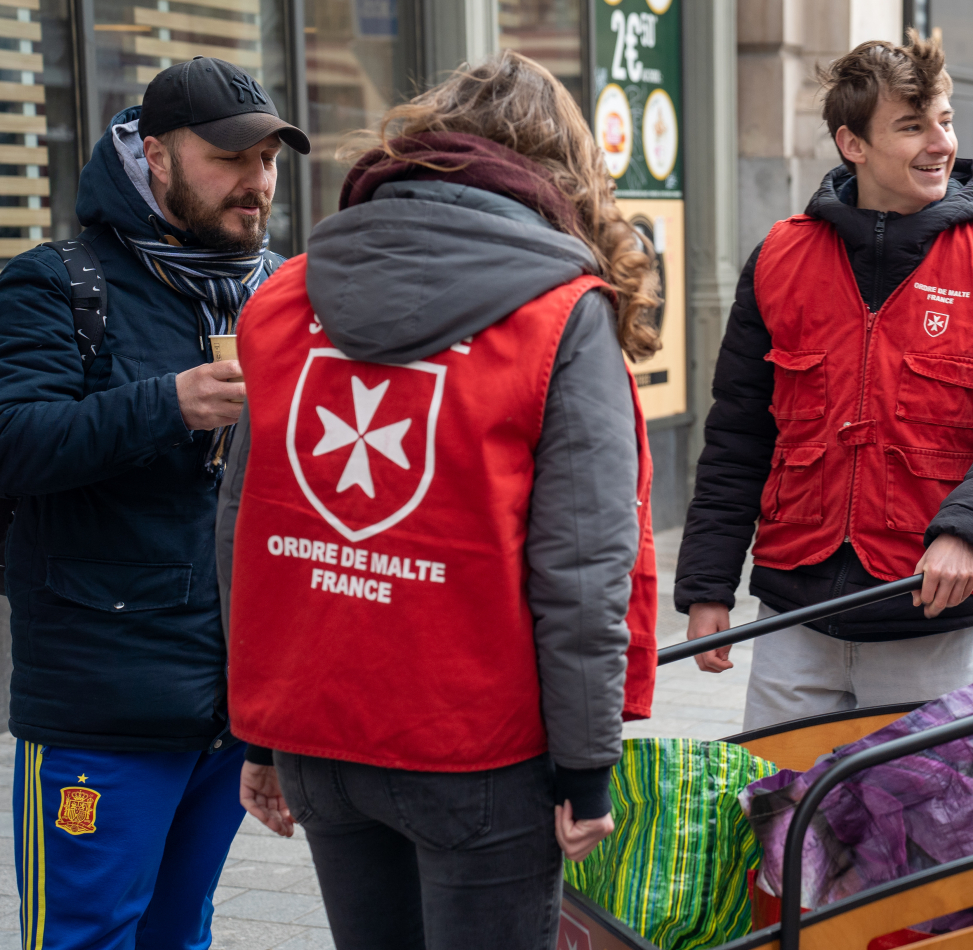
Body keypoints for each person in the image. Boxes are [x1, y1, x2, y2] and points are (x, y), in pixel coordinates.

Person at [217, 51, 657, 945]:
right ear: (562, 171)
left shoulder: (287, 298)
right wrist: (586, 768)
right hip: (477, 751)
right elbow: (580, 569)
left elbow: (248, 526)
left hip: (321, 732)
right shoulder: (560, 315)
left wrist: (261, 729)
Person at [673, 33, 973, 730]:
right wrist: (707, 585)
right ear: (851, 143)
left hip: (926, 611)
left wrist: (968, 532)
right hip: (794, 617)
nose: (939, 143)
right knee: (786, 823)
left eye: (943, 121)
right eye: (912, 126)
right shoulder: (779, 257)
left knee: (917, 831)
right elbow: (739, 432)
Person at [0, 57, 307, 947]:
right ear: (157, 157)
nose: (256, 183)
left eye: (269, 161)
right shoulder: (59, 282)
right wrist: (167, 404)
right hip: (103, 702)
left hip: (230, 700)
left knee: (182, 931)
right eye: (230, 159)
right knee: (89, 936)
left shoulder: (279, 290)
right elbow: (15, 439)